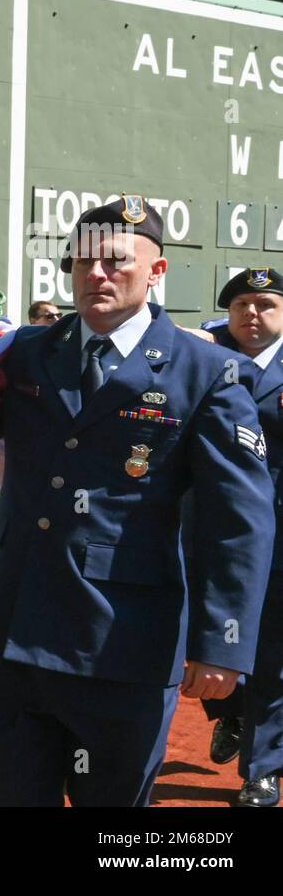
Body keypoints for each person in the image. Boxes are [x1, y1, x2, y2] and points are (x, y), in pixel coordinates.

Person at [0, 196, 275, 806]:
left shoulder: (205, 371)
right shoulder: (22, 353)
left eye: (115, 261)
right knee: (6, 794)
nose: (95, 275)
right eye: (81, 263)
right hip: (18, 621)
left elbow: (237, 520)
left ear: (157, 272)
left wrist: (222, 644)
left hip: (125, 640)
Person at [191, 267, 283, 806]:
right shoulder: (202, 354)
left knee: (272, 647)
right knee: (207, 633)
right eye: (242, 304)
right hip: (208, 528)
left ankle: (263, 767)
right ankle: (229, 712)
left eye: (266, 304)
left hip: (276, 535)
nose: (252, 313)